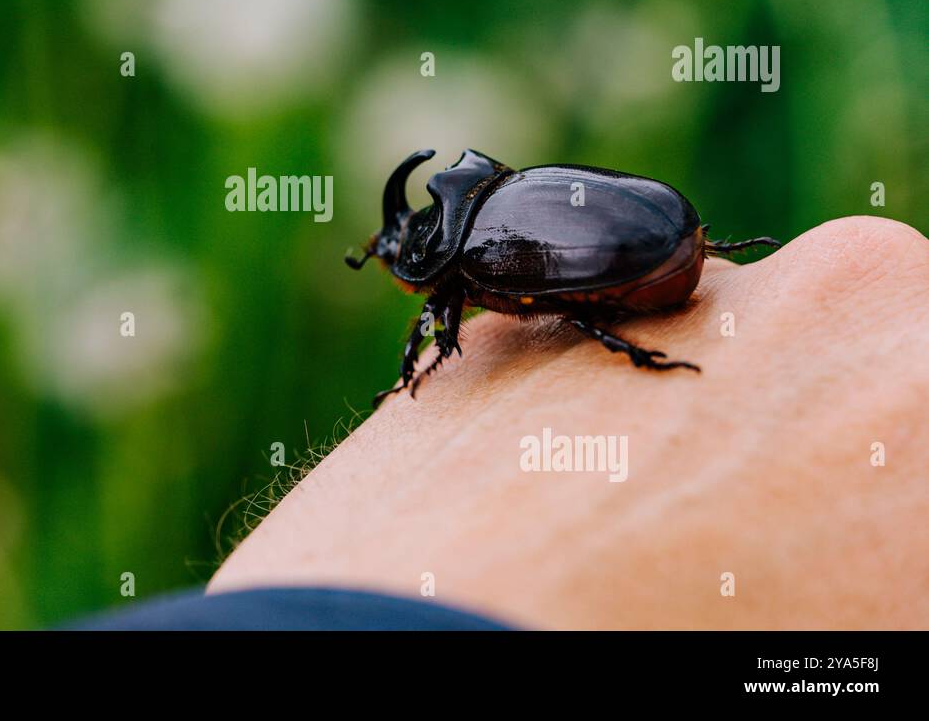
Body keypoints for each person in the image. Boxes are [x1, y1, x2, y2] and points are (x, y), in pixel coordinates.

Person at [82, 217, 929, 630]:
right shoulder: (495, 225)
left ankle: (619, 340)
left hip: (641, 269)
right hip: (662, 247)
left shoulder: (481, 259)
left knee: (572, 314)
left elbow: (471, 321)